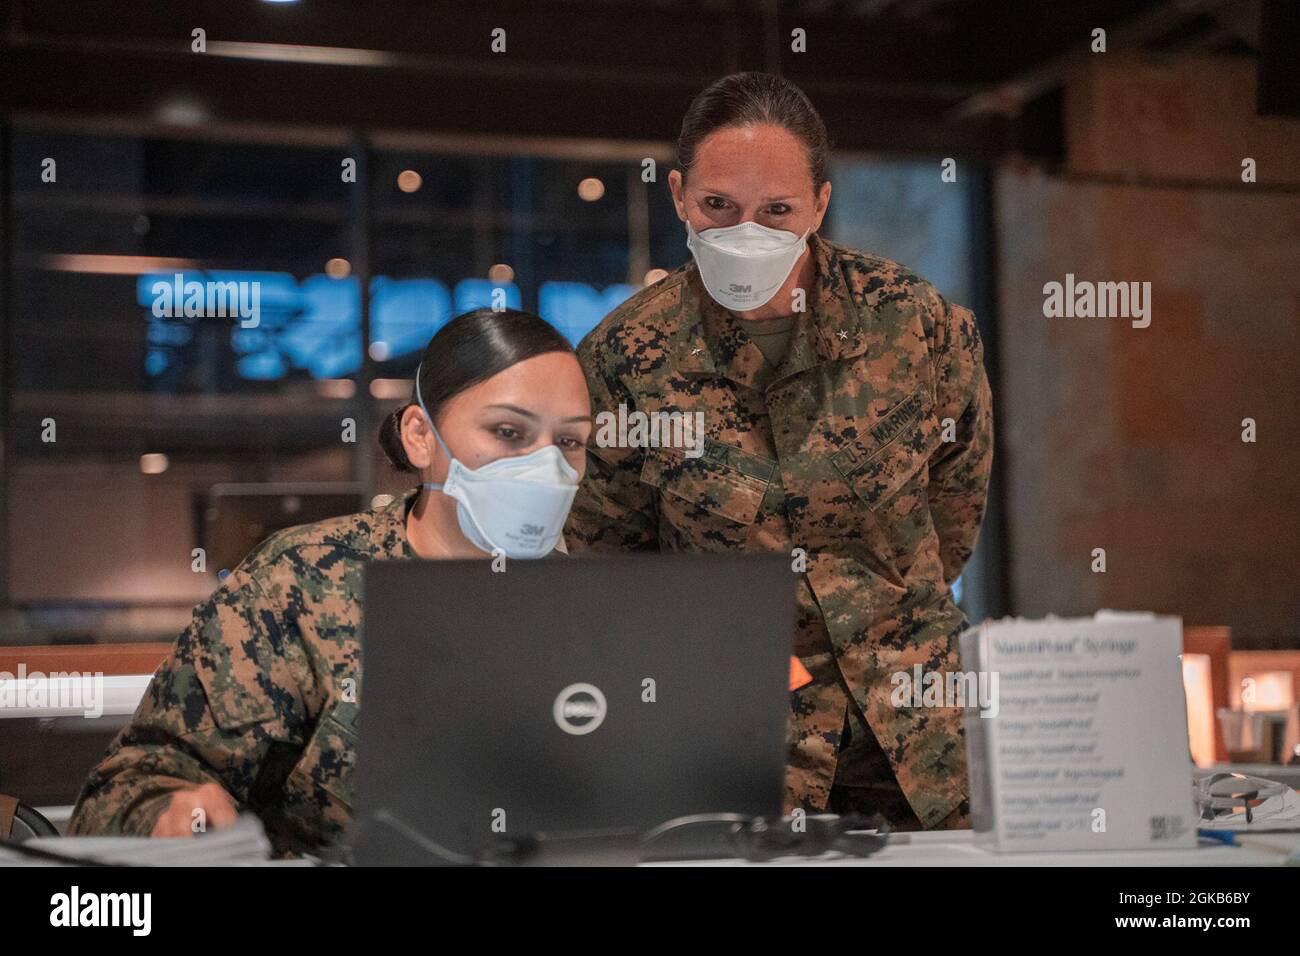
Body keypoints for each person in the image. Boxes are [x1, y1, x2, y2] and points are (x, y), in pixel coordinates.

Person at [564, 72, 994, 831]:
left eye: (777, 211)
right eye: (718, 206)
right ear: (678, 196)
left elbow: (954, 512)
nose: (745, 231)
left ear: (820, 205)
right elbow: (613, 562)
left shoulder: (917, 325)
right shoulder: (622, 358)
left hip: (917, 741)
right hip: (733, 744)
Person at [67, 308, 591, 855]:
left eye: (570, 443)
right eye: (509, 432)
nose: (546, 467)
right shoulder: (306, 580)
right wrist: (177, 816)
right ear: (420, 436)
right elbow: (124, 791)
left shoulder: (593, 610)